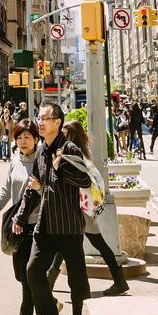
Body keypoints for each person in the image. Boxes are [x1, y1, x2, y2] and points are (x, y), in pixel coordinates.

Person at [12, 102, 89, 315]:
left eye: (45, 118)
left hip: (68, 226)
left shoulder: (69, 149)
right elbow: (33, 189)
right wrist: (20, 217)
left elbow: (84, 179)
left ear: (57, 122)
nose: (40, 122)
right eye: (39, 118)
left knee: (77, 282)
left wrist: (60, 168)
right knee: (33, 271)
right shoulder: (43, 150)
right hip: (44, 225)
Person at [0, 120, 42, 315]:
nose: (23, 141)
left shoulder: (42, 161)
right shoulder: (15, 160)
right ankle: (48, 302)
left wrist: (41, 187)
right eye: (19, 137)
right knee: (20, 275)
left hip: (37, 226)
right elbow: (7, 189)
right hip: (17, 224)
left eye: (27, 137)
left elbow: (50, 192)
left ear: (36, 139)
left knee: (28, 276)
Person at [60, 120, 129, 297]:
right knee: (89, 245)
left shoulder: (72, 154)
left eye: (63, 132)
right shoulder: (81, 153)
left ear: (70, 135)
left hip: (79, 210)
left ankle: (120, 281)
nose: (60, 134)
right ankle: (119, 280)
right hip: (82, 208)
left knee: (67, 248)